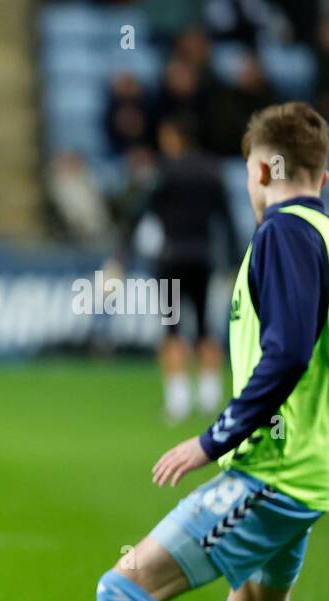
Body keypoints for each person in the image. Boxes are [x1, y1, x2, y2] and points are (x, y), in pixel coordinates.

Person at [0, 102, 329, 601]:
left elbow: (285, 353)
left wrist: (212, 438)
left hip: (271, 473)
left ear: (260, 169)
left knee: (125, 588)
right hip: (308, 471)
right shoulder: (319, 230)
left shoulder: (283, 232)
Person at [115, 113, 239, 422]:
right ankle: (210, 397)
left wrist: (121, 257)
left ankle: (178, 399)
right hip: (203, 258)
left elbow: (139, 214)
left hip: (171, 261)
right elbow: (227, 222)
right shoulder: (213, 172)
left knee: (172, 329)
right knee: (206, 328)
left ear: (173, 137)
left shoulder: (163, 172)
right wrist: (235, 262)